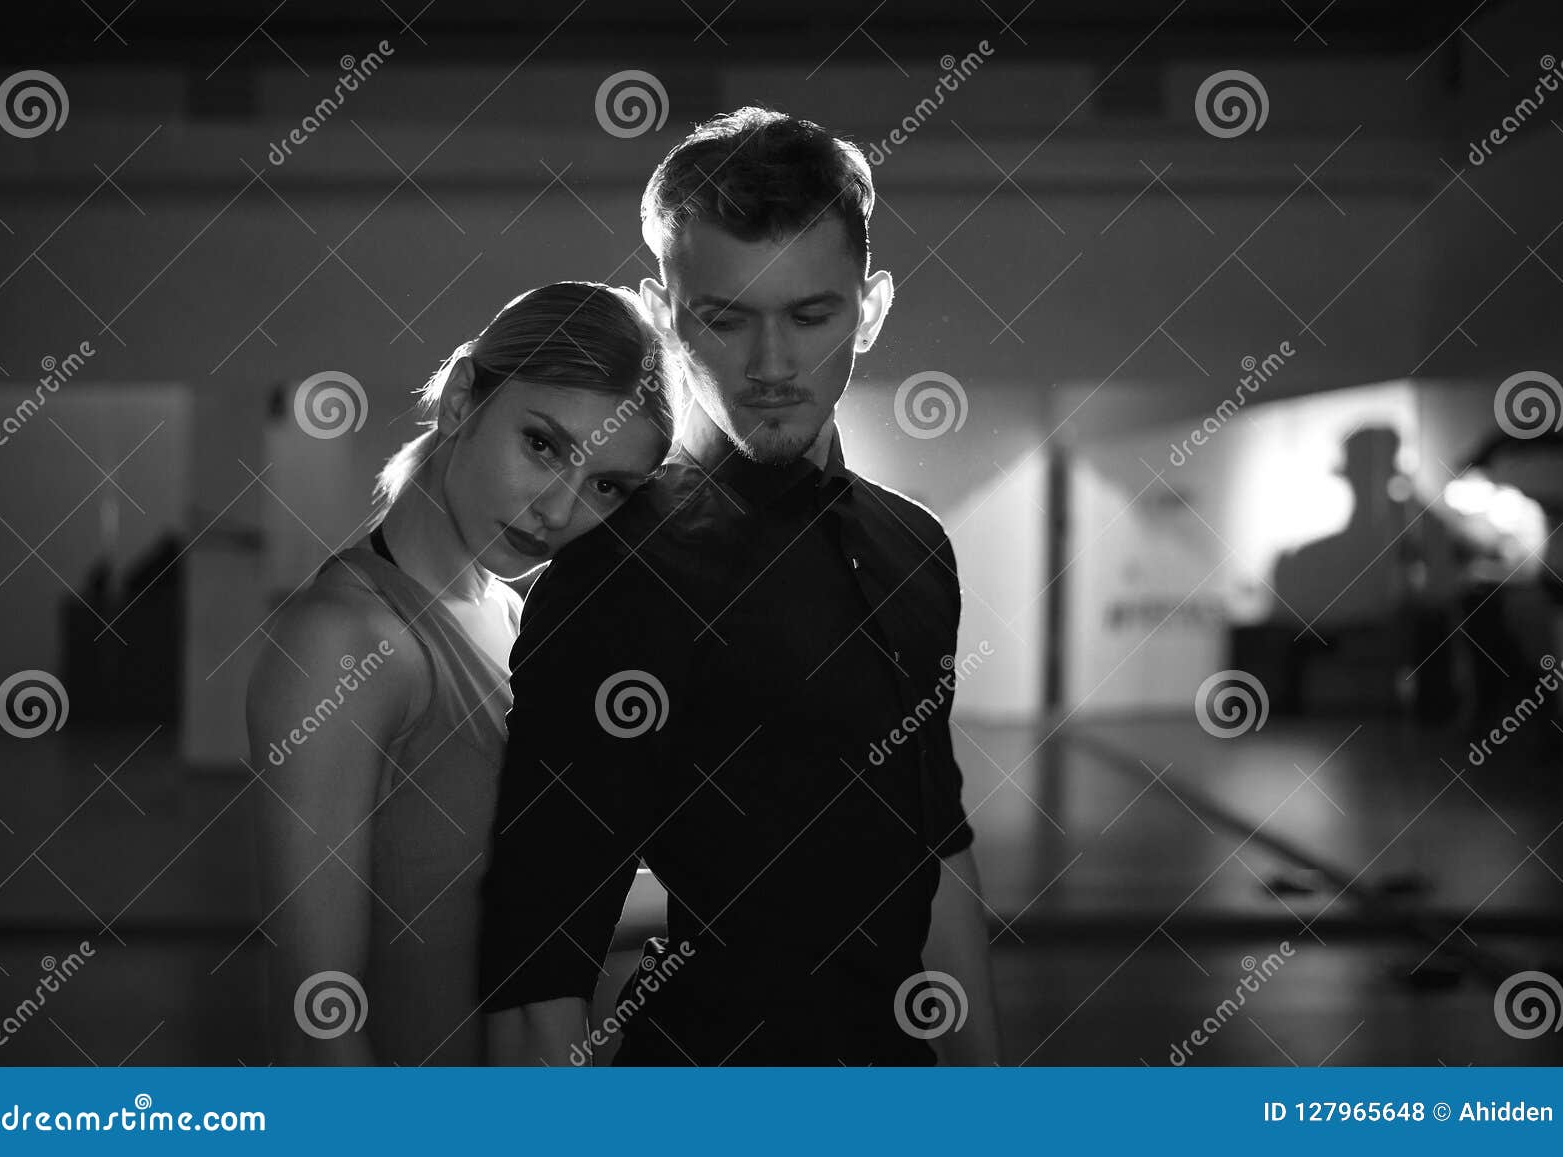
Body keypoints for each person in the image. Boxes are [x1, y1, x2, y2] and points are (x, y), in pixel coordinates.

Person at [479, 109, 1000, 1065]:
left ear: (871, 308)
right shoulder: (613, 577)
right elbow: (534, 971)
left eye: (812, 315)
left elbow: (938, 855)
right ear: (665, 310)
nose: (771, 368)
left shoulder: (916, 546)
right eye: (725, 317)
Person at [246, 282, 674, 1065]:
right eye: (543, 445)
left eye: (607, 485)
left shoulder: (518, 621)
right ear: (461, 399)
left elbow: (523, 894)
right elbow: (317, 1022)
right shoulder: (344, 639)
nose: (558, 508)